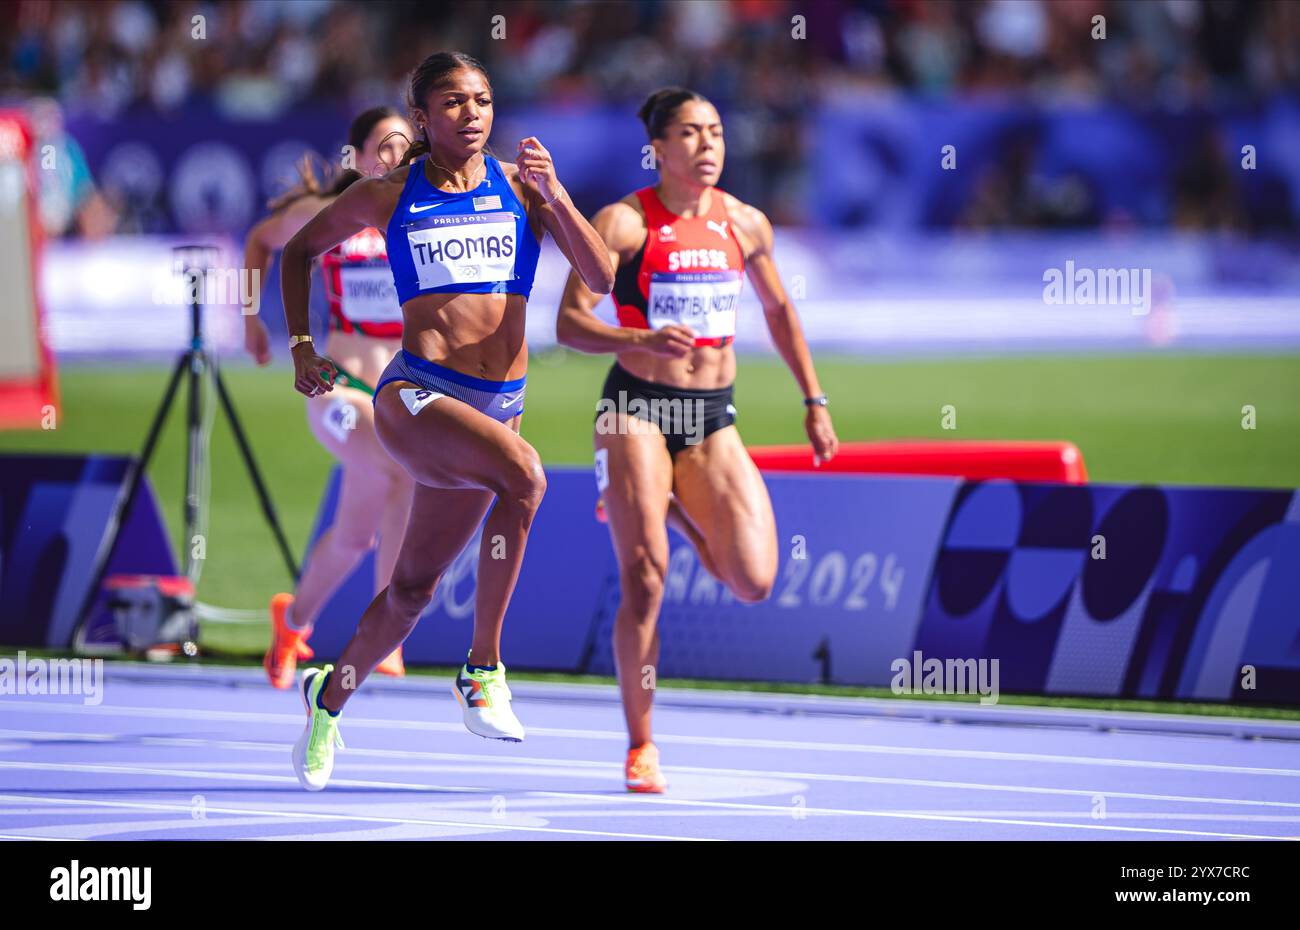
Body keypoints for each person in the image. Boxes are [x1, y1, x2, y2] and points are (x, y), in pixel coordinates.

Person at [280, 52, 614, 791]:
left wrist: (556, 193)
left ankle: (326, 702)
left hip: (497, 408)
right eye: (454, 102)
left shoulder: (522, 189)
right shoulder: (390, 194)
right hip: (415, 396)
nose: (471, 113)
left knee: (411, 591)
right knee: (525, 477)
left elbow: (601, 278)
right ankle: (483, 670)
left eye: (483, 100)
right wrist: (303, 345)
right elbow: (301, 249)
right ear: (422, 117)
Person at [555, 87, 839, 793]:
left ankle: (669, 508)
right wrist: (638, 336)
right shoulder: (622, 224)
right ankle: (641, 743)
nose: (708, 145)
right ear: (657, 148)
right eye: (690, 133)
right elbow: (566, 324)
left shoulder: (745, 223)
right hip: (636, 409)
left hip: (712, 414)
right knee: (645, 577)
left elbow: (779, 311)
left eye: (715, 131)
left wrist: (815, 399)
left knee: (752, 579)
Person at [243, 106, 414, 688]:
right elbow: (260, 241)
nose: (395, 157)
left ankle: (292, 622)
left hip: (402, 387)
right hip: (338, 384)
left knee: (355, 535)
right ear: (358, 155)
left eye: (406, 146)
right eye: (383, 146)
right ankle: (384, 630)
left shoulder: (420, 213)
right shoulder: (325, 214)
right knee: (397, 465)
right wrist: (249, 320)